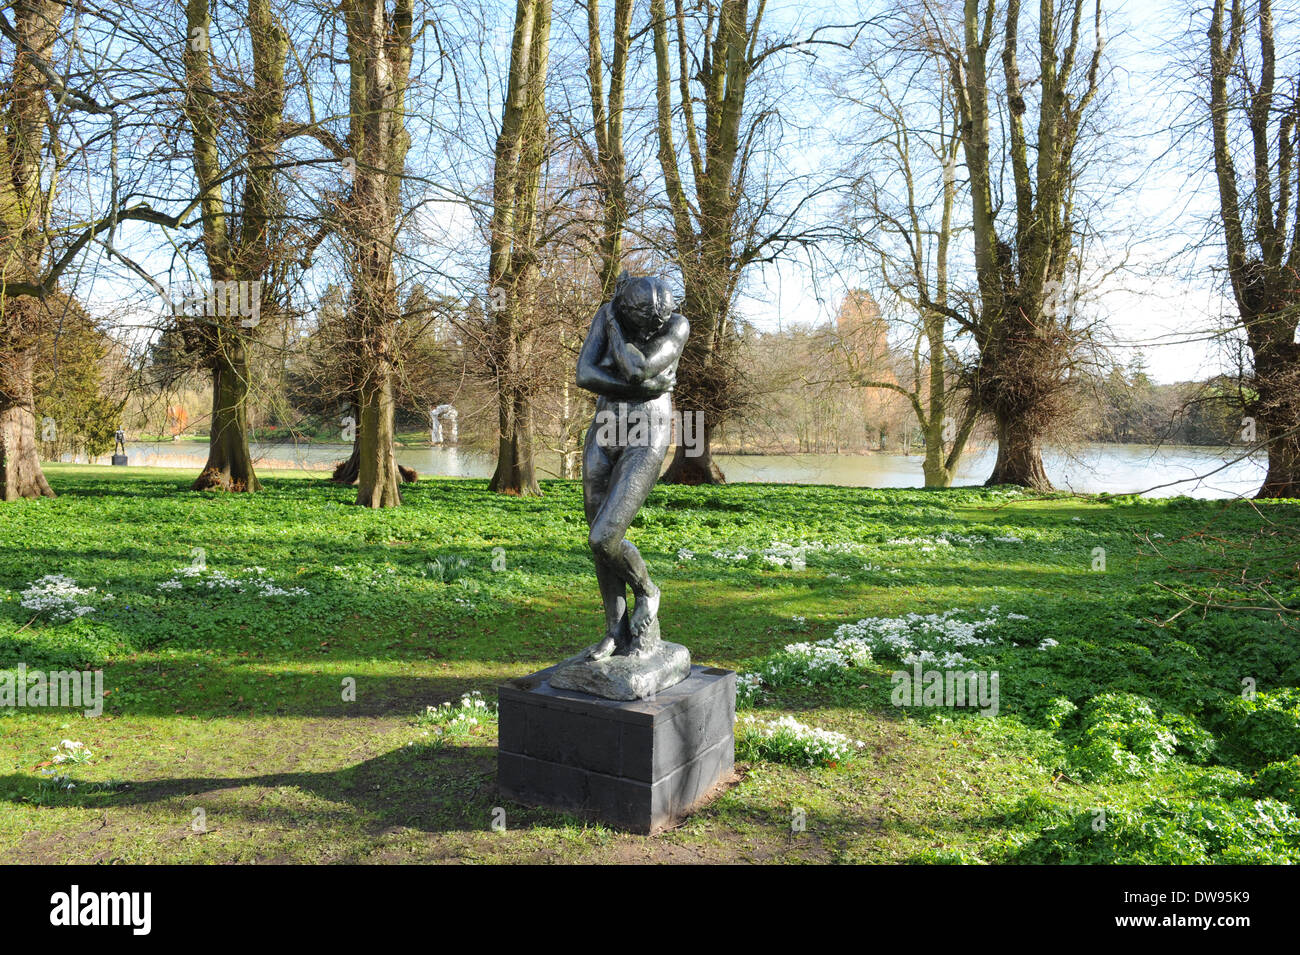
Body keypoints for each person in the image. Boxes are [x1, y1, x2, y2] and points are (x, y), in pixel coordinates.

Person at [576, 275, 689, 660]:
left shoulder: (677, 325)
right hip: (604, 432)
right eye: (645, 319)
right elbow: (584, 374)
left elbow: (637, 367)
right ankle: (615, 631)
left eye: (659, 319)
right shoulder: (609, 314)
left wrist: (634, 376)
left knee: (604, 537)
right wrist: (639, 389)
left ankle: (647, 590)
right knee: (599, 543)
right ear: (627, 308)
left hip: (647, 435)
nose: (653, 327)